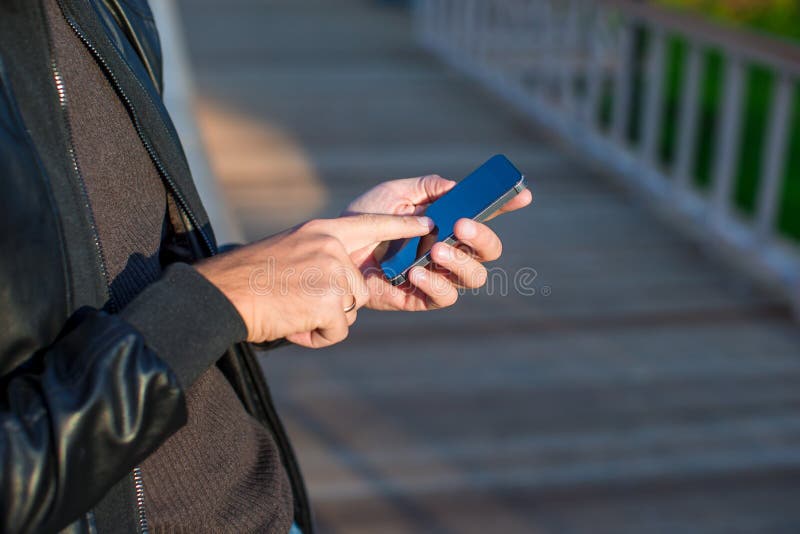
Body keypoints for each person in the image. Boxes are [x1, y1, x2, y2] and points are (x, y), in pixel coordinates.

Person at [0, 0, 532, 533]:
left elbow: (133, 272)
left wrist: (287, 276)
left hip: (261, 506)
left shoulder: (104, 8)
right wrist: (223, 298)